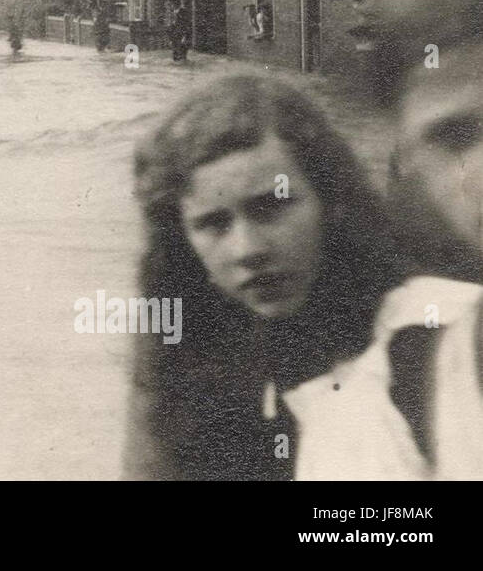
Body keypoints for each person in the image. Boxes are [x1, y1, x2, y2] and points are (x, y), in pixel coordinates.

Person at [126, 75, 420, 480]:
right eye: (213, 224)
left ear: (330, 200)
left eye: (270, 208)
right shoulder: (180, 347)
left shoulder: (417, 331)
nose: (248, 250)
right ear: (183, 240)